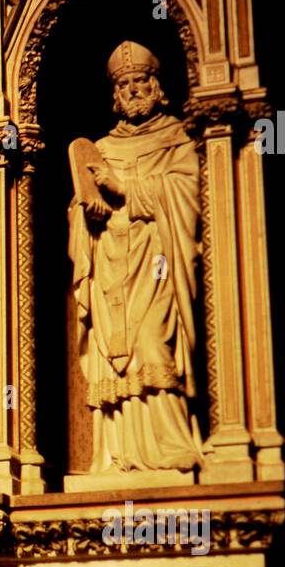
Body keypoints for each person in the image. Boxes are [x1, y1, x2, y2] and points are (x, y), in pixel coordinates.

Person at [68, 42, 203, 475]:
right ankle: (116, 457)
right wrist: (86, 212)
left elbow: (190, 195)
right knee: (114, 358)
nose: (132, 90)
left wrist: (125, 186)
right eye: (124, 84)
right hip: (110, 264)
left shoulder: (178, 138)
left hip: (157, 261)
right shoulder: (103, 146)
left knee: (151, 346)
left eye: (140, 81)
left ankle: (169, 448)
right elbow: (80, 207)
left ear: (156, 85)